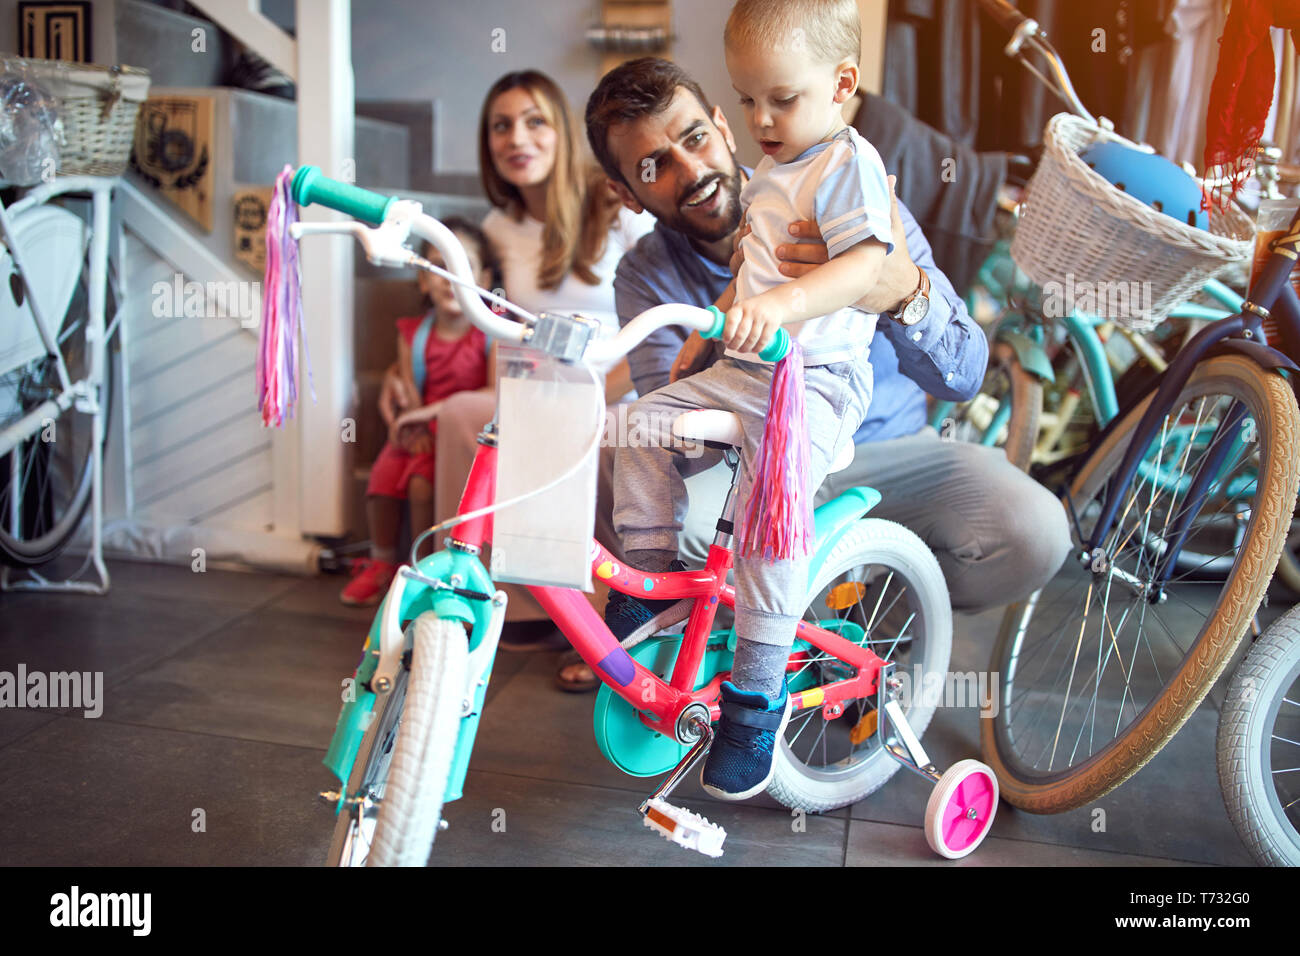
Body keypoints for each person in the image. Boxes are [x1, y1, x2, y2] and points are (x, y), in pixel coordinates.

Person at [564, 53, 1070, 717]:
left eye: (694, 138)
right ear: (628, 193)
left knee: (1034, 531)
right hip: (753, 467)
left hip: (884, 451)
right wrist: (735, 304)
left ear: (723, 125)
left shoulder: (851, 193)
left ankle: (870, 613)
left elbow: (964, 375)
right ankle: (772, 648)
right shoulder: (644, 275)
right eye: (654, 167)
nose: (691, 173)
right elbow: (688, 449)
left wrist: (897, 290)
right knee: (660, 496)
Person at [379, 70, 656, 642]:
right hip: (535, 385)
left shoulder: (617, 204)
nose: (516, 139)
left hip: (618, 382)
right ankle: (474, 600)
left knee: (587, 433)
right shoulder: (496, 230)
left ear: (562, 132)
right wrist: (397, 369)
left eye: (535, 122)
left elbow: (657, 324)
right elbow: (480, 324)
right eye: (500, 127)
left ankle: (604, 627)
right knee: (459, 416)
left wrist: (586, 396)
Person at [343, 219, 501, 606]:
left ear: (485, 276)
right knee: (382, 476)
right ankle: (382, 563)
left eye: (464, 264)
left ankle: (426, 568)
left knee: (421, 487)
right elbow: (411, 394)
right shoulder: (413, 334)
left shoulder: (492, 334)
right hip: (424, 431)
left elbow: (493, 392)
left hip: (462, 438)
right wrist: (415, 428)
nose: (451, 277)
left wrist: (429, 416)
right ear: (423, 280)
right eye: (438, 266)